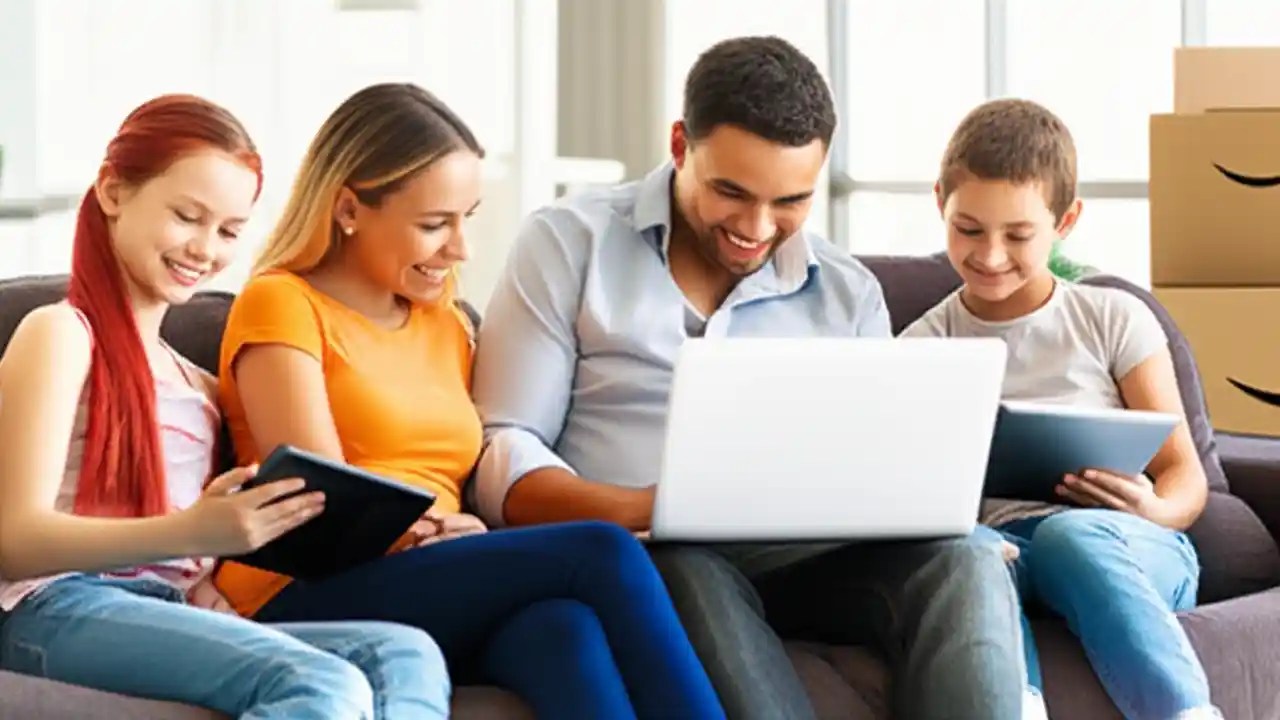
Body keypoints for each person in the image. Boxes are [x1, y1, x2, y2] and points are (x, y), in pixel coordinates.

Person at [471, 35, 1028, 720]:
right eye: (730, 192)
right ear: (680, 146)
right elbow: (505, 447)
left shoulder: (847, 292)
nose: (757, 228)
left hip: (811, 557)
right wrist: (645, 508)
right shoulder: (567, 243)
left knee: (964, 559)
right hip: (649, 550)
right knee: (684, 558)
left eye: (790, 201)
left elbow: (881, 462)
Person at [211, 82, 725, 720]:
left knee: (561, 630)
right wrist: (428, 535)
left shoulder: (447, 322)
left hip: (430, 579)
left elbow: (466, 472)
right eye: (434, 225)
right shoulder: (282, 302)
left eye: (467, 218)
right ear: (348, 208)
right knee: (604, 551)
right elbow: (322, 506)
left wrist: (469, 529)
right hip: (303, 593)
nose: (461, 248)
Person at [0, 95, 449, 719]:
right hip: (51, 604)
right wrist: (193, 532)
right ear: (112, 191)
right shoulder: (61, 333)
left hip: (163, 606)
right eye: (188, 215)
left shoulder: (199, 384)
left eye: (230, 231)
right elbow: (13, 540)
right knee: (323, 683)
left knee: (403, 654)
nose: (205, 249)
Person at [901, 98, 1222, 720]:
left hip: (1124, 545)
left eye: (1018, 236)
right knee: (972, 558)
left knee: (1070, 534)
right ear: (939, 200)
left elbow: (1185, 471)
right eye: (968, 229)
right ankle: (1018, 706)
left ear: (1065, 221)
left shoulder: (1111, 318)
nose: (990, 256)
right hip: (998, 552)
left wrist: (1157, 510)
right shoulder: (923, 345)